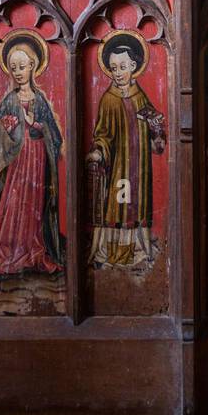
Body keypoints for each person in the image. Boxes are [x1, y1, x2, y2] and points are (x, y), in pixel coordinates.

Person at [86, 30, 165, 271]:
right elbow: (102, 133)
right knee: (114, 205)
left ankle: (139, 251)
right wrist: (99, 151)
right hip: (117, 164)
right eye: (113, 68)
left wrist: (156, 131)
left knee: (138, 206)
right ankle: (109, 252)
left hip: (138, 165)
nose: (117, 73)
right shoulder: (108, 99)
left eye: (122, 67)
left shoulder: (140, 97)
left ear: (133, 66)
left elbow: (155, 131)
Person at [0, 29, 64, 276]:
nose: (18, 71)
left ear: (33, 66)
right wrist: (6, 127)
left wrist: (39, 126)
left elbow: (55, 134)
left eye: (22, 66)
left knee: (35, 203)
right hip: (17, 160)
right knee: (14, 201)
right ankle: (10, 250)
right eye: (13, 67)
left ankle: (33, 251)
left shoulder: (40, 99)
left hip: (37, 157)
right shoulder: (10, 99)